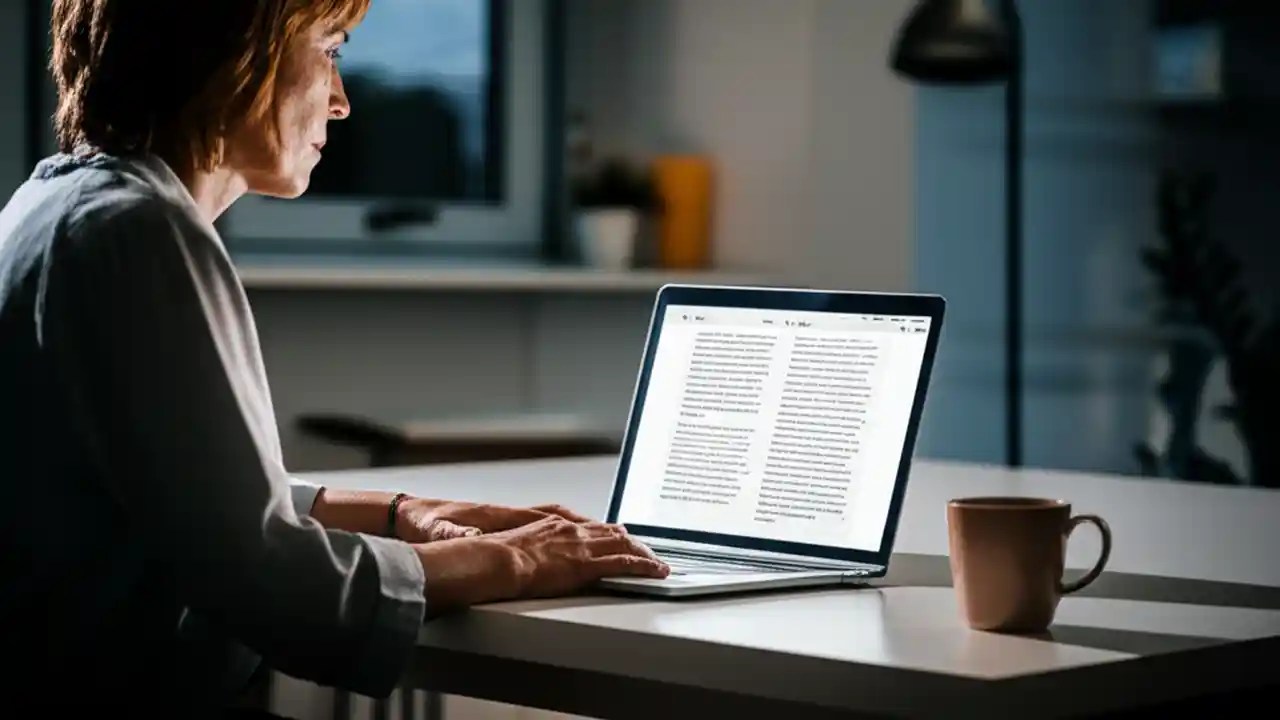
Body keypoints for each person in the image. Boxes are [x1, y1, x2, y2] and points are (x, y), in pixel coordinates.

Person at [0, 0, 668, 715]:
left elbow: (188, 499)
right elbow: (276, 586)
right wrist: (524, 558)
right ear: (234, 51)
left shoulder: (55, 204)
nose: (342, 101)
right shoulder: (141, 233)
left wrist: (406, 513)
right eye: (331, 51)